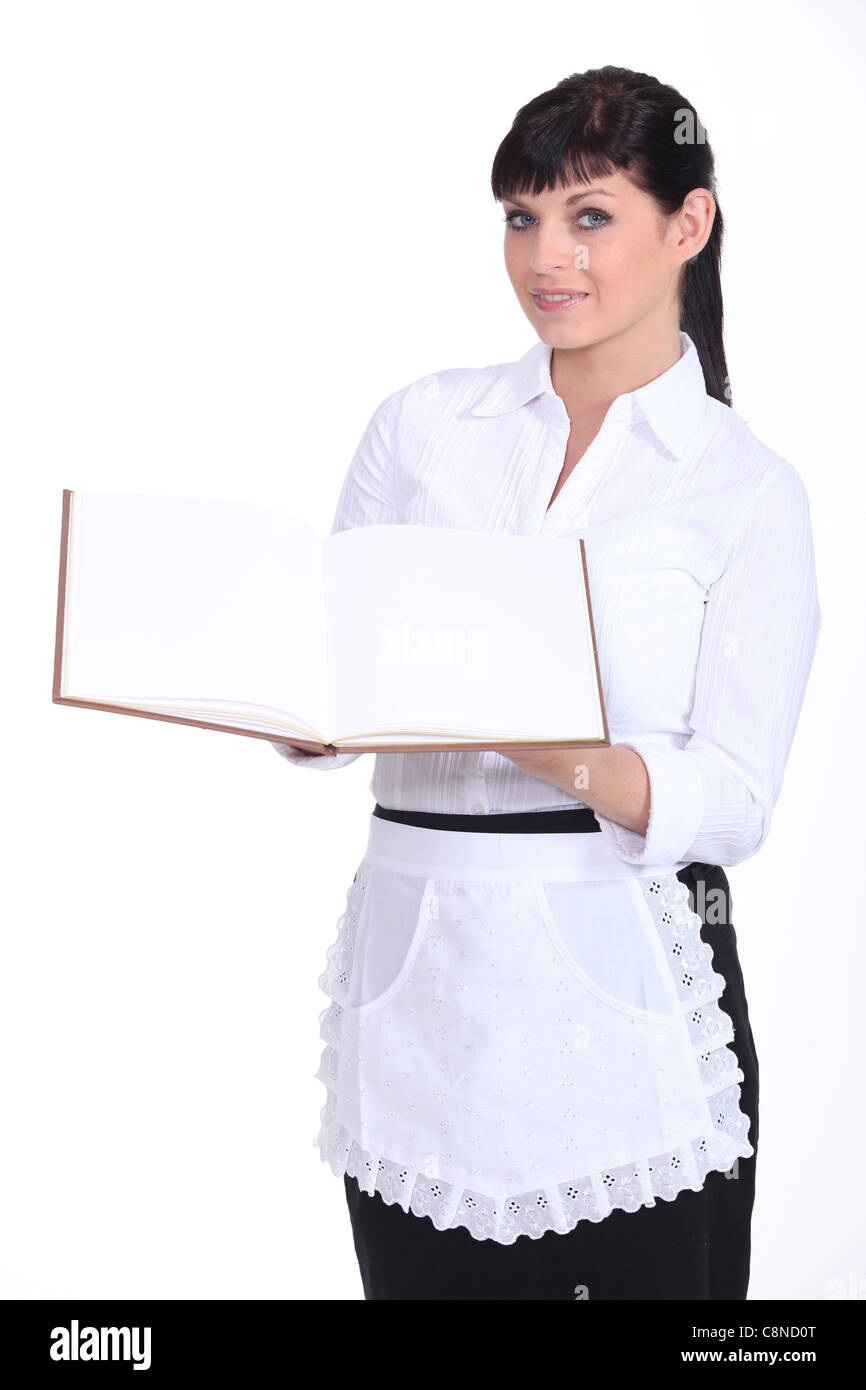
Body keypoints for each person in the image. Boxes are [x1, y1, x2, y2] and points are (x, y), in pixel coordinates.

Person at [271, 64, 821, 1300]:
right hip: (420, 996)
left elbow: (732, 798)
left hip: (618, 997)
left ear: (687, 223)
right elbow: (341, 673)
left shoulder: (739, 489)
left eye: (588, 216)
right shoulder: (421, 429)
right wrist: (299, 712)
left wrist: (540, 741)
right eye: (521, 218)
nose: (543, 259)